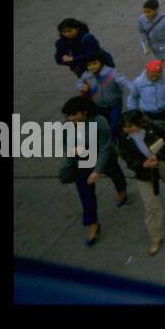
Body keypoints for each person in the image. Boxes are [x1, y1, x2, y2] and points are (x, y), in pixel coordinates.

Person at [116, 109, 165, 257]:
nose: (126, 130)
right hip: (144, 171)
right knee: (151, 205)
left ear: (139, 123)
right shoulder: (124, 138)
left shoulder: (157, 127)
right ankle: (155, 237)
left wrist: (159, 156)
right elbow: (126, 157)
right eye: (124, 127)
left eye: (130, 126)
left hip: (162, 163)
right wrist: (141, 165)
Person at [60, 96, 128, 245]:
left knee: (115, 174)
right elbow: (65, 145)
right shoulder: (67, 126)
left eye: (73, 115)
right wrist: (72, 152)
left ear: (84, 112)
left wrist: (97, 171)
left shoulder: (99, 122)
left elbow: (105, 148)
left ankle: (121, 190)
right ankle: (92, 224)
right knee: (85, 195)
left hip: (104, 157)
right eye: (68, 116)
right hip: (82, 161)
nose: (70, 119)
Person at [126, 59, 165, 136]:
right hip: (150, 115)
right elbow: (132, 98)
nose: (154, 78)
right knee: (157, 134)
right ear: (147, 72)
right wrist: (134, 115)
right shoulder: (138, 83)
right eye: (151, 76)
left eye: (157, 75)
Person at [77, 55, 127, 137]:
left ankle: (119, 138)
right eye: (89, 65)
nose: (92, 67)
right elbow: (79, 83)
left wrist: (132, 87)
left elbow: (123, 80)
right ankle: (114, 137)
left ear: (101, 63)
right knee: (105, 124)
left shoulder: (111, 73)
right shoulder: (86, 75)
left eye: (94, 63)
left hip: (114, 103)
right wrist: (82, 86)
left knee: (114, 125)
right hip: (99, 105)